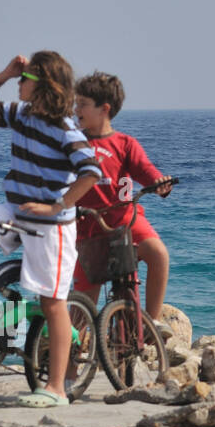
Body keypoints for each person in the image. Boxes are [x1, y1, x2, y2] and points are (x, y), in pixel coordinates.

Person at [0, 51, 102, 407]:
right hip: (15, 212)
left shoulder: (66, 129)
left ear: (43, 86)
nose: (19, 84)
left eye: (25, 79)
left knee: (53, 304)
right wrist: (3, 73)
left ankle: (57, 389)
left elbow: (92, 172)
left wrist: (57, 205)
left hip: (51, 228)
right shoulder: (20, 115)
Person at [72, 71, 173, 321]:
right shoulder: (73, 144)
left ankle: (154, 321)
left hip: (127, 224)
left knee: (158, 253)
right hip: (88, 232)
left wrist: (160, 183)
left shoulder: (125, 143)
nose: (76, 109)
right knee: (80, 314)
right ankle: (70, 357)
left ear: (104, 109)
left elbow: (145, 169)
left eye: (82, 104)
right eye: (76, 103)